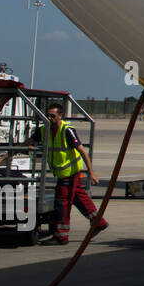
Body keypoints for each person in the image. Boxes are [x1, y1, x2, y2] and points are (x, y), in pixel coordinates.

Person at [33, 103, 109, 243]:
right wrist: (5, 157)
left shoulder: (67, 130)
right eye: (47, 115)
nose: (49, 118)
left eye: (52, 116)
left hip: (70, 173)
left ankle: (61, 236)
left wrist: (91, 173)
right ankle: (99, 222)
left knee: (62, 203)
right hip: (62, 174)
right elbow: (28, 142)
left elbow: (82, 151)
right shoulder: (44, 130)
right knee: (78, 197)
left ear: (60, 116)